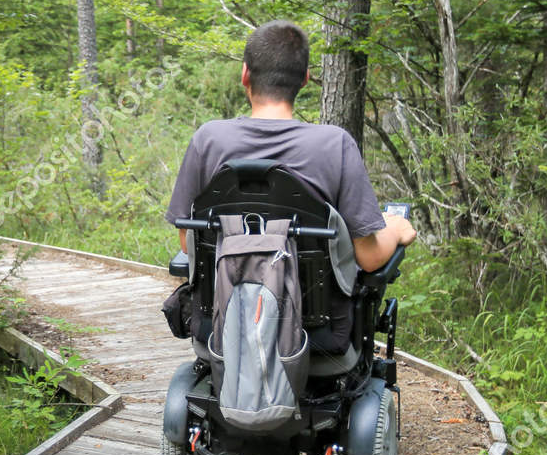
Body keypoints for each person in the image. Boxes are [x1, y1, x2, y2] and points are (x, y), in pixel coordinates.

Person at [166, 20, 416, 270]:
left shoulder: (208, 139)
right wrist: (394, 229)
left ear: (245, 74)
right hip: (317, 307)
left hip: (223, 305)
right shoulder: (335, 144)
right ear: (305, 78)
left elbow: (189, 243)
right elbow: (370, 258)